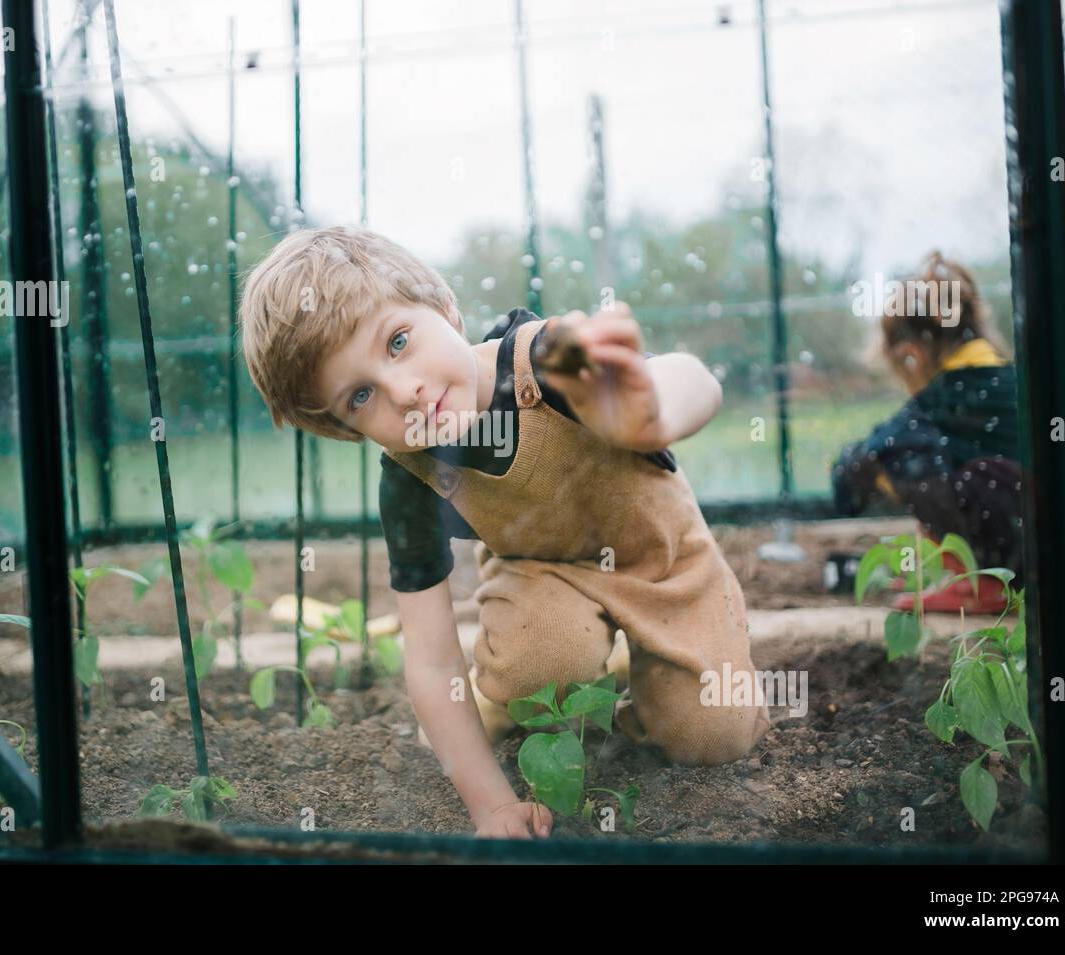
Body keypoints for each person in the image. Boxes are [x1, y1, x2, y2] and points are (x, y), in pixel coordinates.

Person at [241, 225, 769, 839]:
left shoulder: (546, 361)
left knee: (709, 736)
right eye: (360, 395)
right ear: (346, 429)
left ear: (444, 306)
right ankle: (505, 689)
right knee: (536, 669)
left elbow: (694, 381)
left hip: (666, 566)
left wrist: (647, 409)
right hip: (541, 578)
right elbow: (433, 660)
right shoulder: (410, 479)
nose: (403, 390)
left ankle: (641, 672)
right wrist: (490, 805)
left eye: (398, 341)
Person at [831, 251, 1065, 613]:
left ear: (910, 355)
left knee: (901, 462)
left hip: (1055, 571)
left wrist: (851, 472)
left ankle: (980, 584)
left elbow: (861, 469)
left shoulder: (941, 402)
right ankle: (967, 573)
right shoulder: (1030, 386)